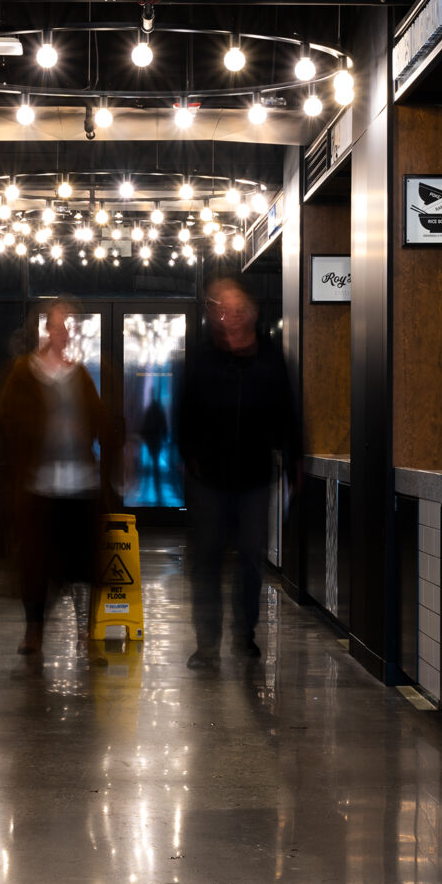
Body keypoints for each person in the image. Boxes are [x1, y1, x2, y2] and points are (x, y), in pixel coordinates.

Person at [178, 276, 301, 669]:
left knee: (251, 558)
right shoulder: (202, 356)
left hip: (253, 478)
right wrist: (189, 455)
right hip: (208, 478)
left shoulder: (269, 357)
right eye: (220, 308)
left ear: (250, 313)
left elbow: (288, 411)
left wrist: (296, 458)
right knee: (207, 560)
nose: (226, 316)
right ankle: (207, 643)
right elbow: (182, 411)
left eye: (233, 309)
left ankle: (244, 635)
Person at [0, 298, 106, 656]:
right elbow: (6, 419)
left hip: (80, 483)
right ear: (46, 329)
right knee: (35, 560)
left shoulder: (79, 374)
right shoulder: (25, 372)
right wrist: (43, 427)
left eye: (69, 324)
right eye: (58, 324)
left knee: (83, 561)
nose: (64, 331)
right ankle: (34, 631)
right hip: (38, 485)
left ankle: (84, 631)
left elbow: (101, 420)